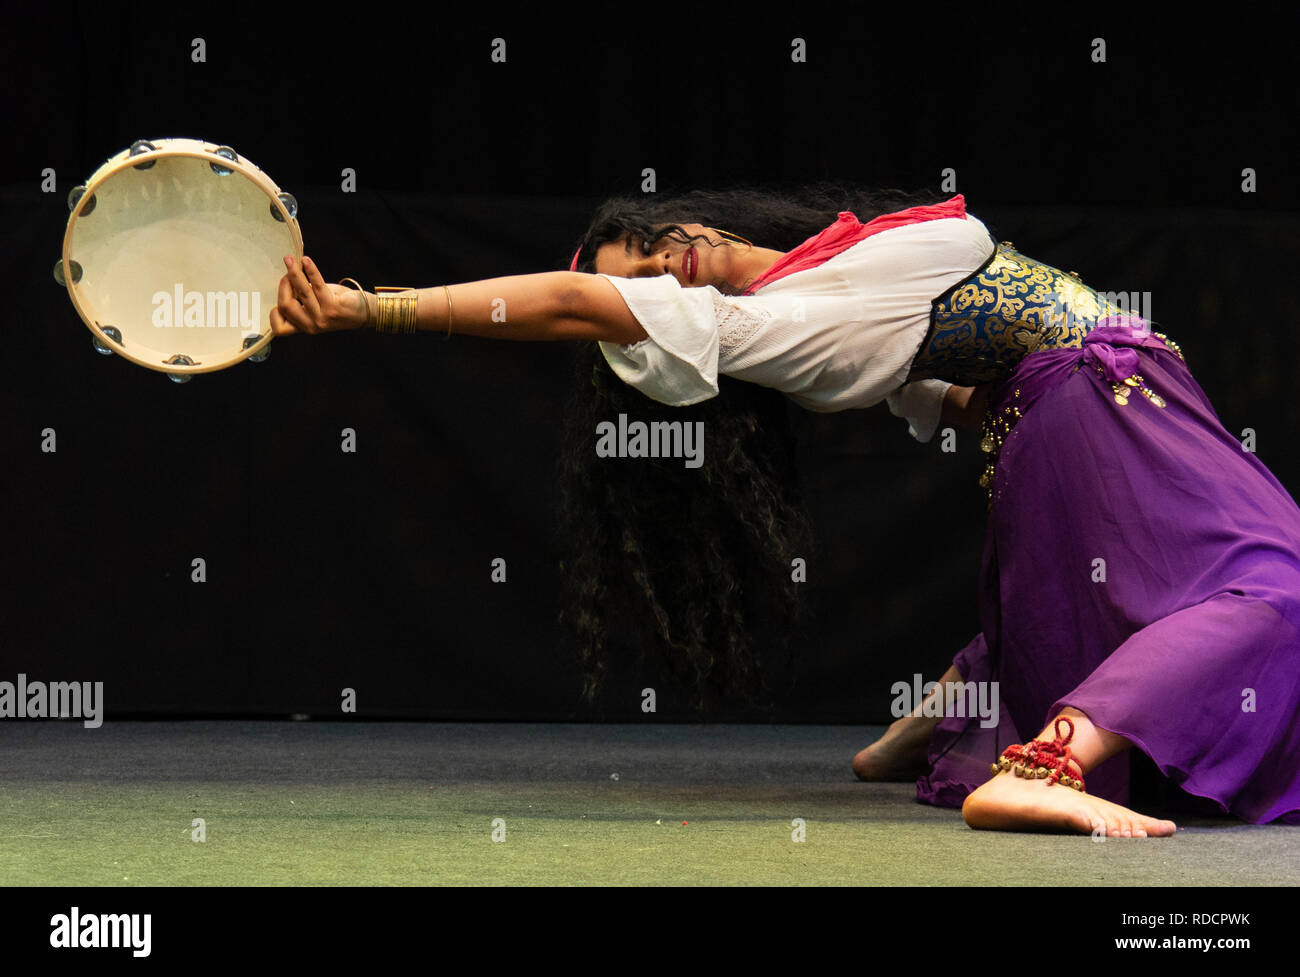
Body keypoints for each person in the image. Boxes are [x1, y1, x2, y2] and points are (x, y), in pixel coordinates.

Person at [269, 188, 1300, 837]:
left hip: (1092, 419)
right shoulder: (772, 326)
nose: (660, 265)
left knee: (1169, 603)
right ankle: (1041, 763)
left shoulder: (834, 276)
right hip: (1106, 415)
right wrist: (372, 305)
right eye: (639, 289)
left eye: (644, 245)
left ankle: (952, 713)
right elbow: (573, 304)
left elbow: (948, 392)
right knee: (1271, 593)